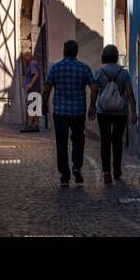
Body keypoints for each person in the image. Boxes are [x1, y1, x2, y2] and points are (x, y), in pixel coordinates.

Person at [43, 39, 97, 187]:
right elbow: (94, 87)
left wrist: (43, 104)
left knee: (61, 143)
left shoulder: (55, 68)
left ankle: (64, 176)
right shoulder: (84, 68)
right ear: (77, 52)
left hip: (60, 112)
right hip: (78, 112)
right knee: (78, 140)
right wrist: (92, 105)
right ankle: (77, 167)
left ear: (64, 51)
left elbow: (47, 88)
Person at [89, 44, 137, 184]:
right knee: (117, 140)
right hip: (120, 112)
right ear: (116, 57)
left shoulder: (98, 72)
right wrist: (134, 112)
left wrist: (92, 106)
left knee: (105, 141)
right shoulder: (124, 74)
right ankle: (117, 170)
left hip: (103, 111)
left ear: (104, 56)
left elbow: (94, 91)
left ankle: (106, 172)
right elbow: (129, 93)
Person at [23, 50, 42, 132]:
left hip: (33, 89)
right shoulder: (33, 63)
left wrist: (30, 84)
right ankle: (36, 125)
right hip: (36, 89)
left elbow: (36, 74)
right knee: (36, 107)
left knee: (31, 107)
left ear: (29, 56)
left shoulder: (32, 64)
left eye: (25, 57)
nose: (24, 59)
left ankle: (30, 125)